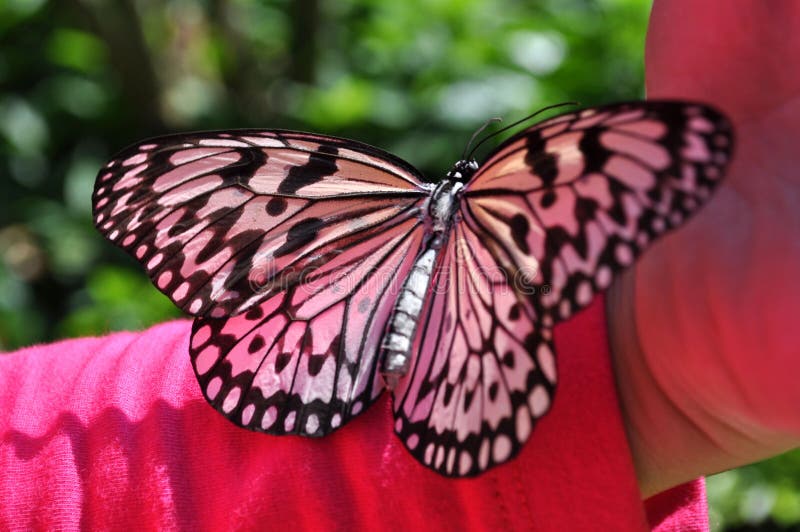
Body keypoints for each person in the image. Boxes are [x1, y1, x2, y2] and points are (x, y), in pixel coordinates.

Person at [0, 1, 796, 530]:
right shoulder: (501, 193)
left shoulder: (367, 192)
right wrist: (652, 385)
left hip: (347, 313)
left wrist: (648, 373)